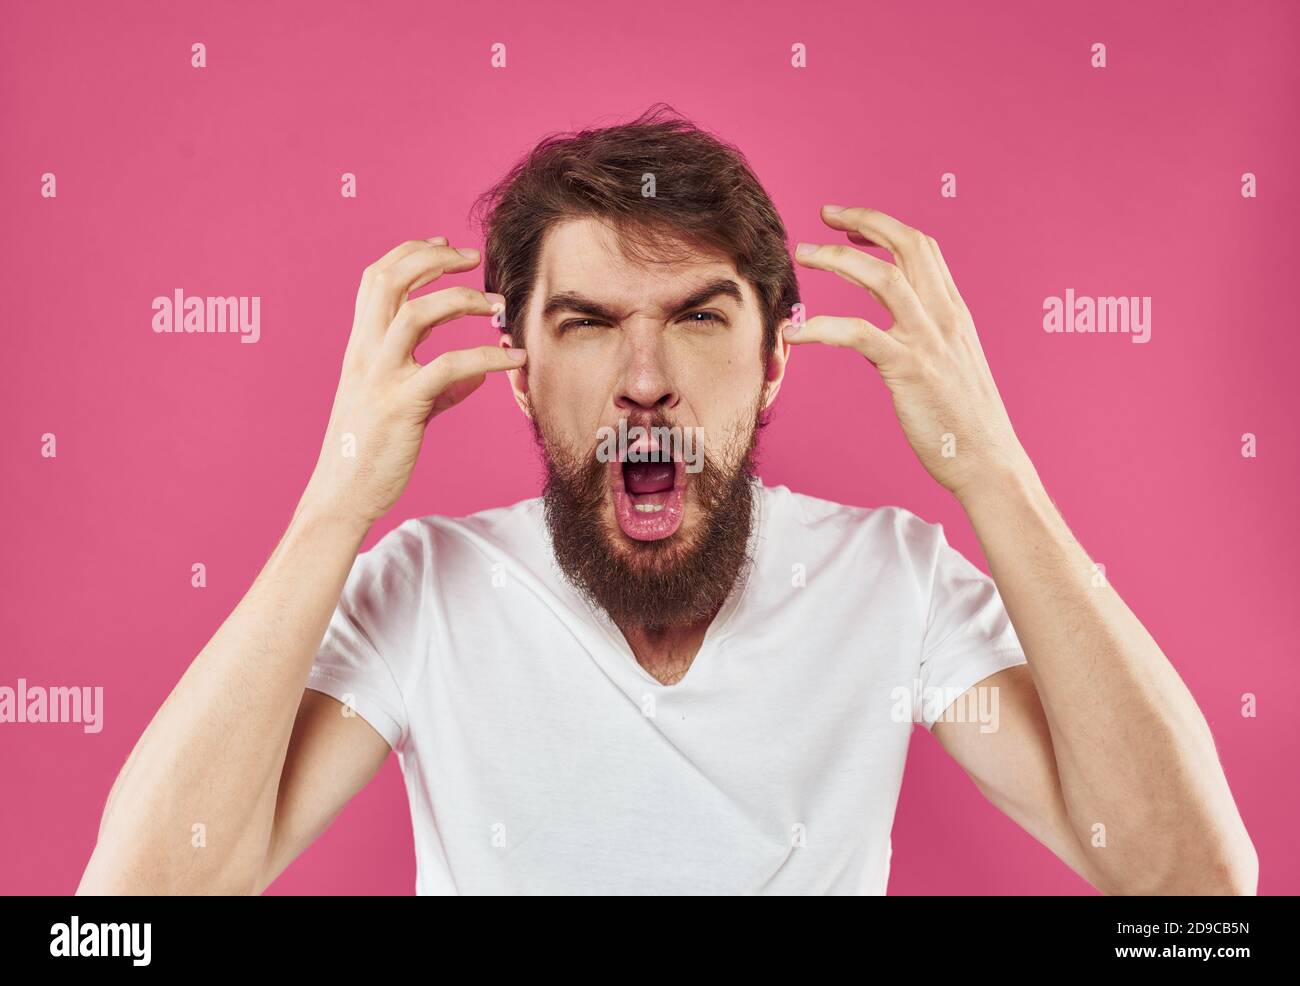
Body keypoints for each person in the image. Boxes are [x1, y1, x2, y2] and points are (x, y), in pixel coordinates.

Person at [77, 106, 1256, 895]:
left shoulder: (889, 581)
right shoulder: (429, 589)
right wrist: (335, 505)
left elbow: (1195, 883)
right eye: (587, 324)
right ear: (520, 368)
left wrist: (993, 470)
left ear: (775, 359)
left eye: (697, 316)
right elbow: (129, 908)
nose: (644, 381)